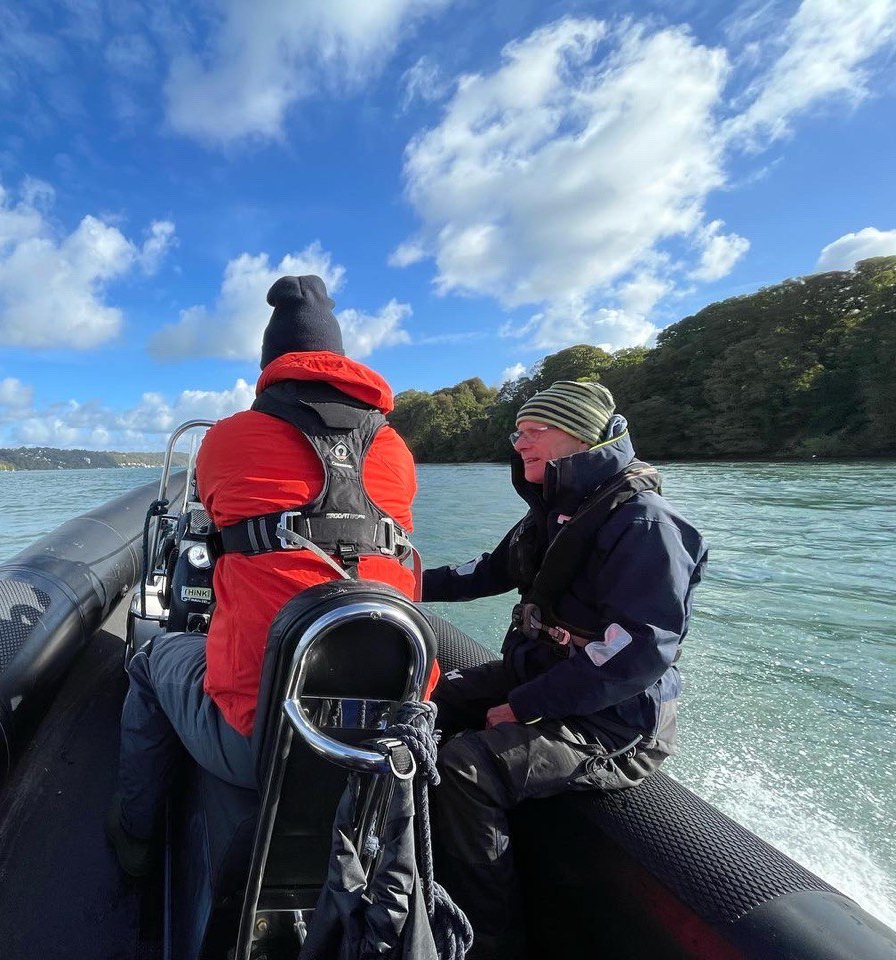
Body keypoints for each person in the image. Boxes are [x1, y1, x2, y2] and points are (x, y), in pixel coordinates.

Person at [107, 274, 426, 876]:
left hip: (262, 742)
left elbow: (209, 511)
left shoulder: (228, 440)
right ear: (340, 360)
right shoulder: (398, 454)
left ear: (271, 365)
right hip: (384, 742)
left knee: (151, 664)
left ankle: (133, 845)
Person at [422, 380, 707, 958]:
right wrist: (390, 579)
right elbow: (484, 572)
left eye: (535, 431)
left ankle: (488, 943)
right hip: (541, 674)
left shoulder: (645, 525)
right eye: (518, 431)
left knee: (467, 768)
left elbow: (639, 651)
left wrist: (527, 707)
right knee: (430, 706)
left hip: (617, 722)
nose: (520, 442)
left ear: (580, 436)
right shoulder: (556, 513)